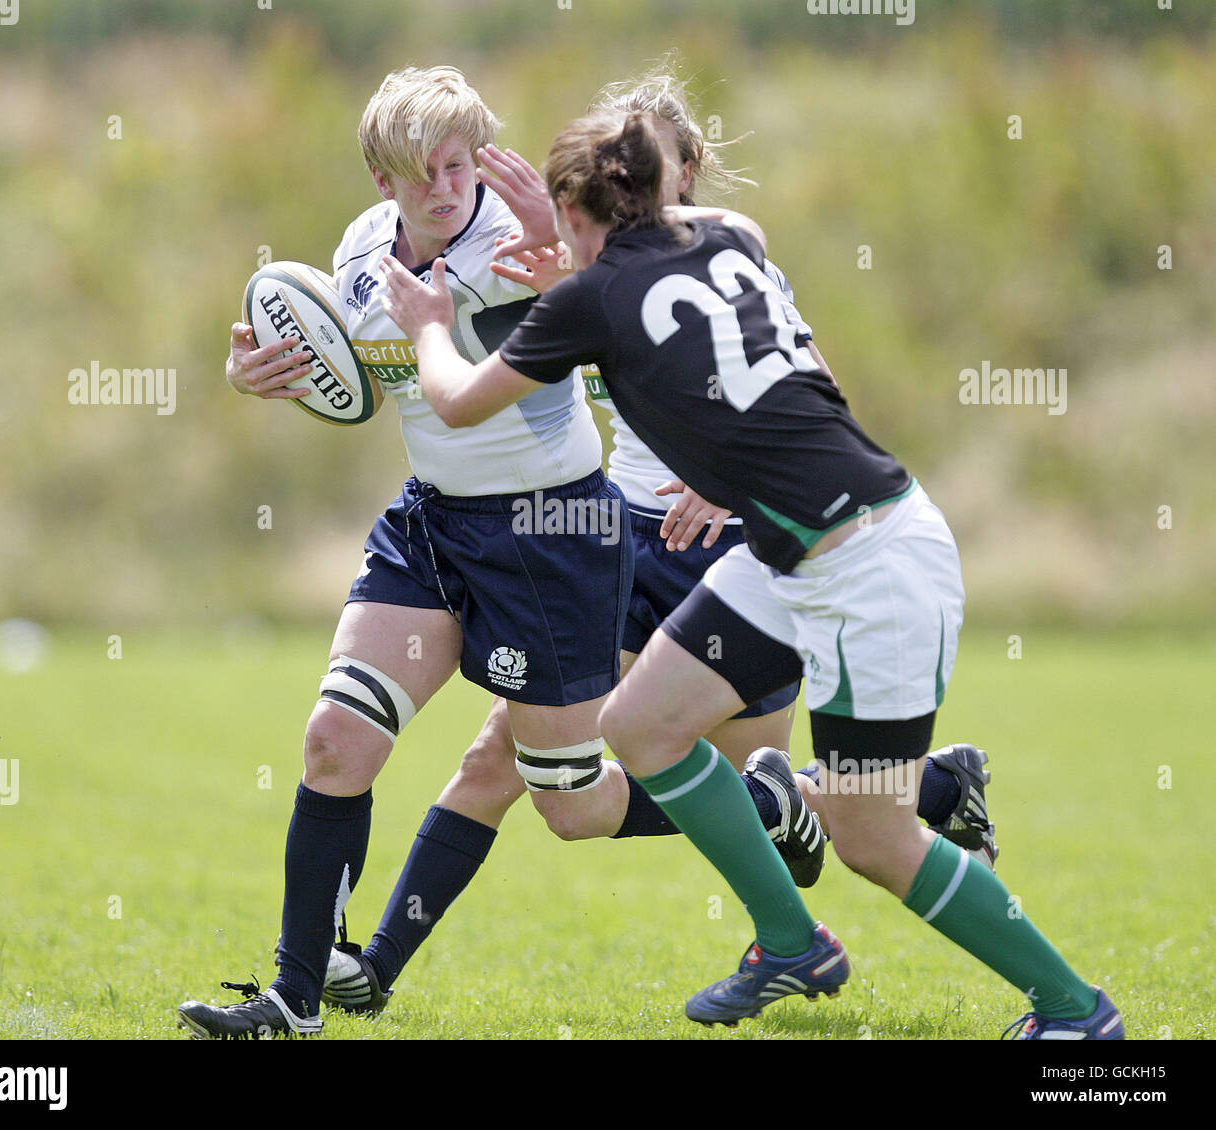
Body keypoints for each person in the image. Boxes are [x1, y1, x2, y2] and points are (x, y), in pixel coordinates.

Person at [378, 107, 1122, 1039]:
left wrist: (430, 324)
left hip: (870, 564)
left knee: (871, 839)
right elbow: (678, 306)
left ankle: (1073, 1010)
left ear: (572, 207)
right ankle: (790, 942)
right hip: (792, 550)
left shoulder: (588, 298)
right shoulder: (732, 234)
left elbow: (451, 400)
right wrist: (573, 252)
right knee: (640, 724)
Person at [176, 66, 638, 1040]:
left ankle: (774, 801)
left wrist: (565, 261)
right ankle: (293, 998)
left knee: (574, 805)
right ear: (380, 181)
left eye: (458, 163)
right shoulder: (356, 253)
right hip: (432, 524)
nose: (444, 187)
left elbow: (579, 335)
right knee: (335, 741)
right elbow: (347, 375)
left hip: (553, 535)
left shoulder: (517, 246)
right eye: (419, 172)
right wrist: (254, 366)